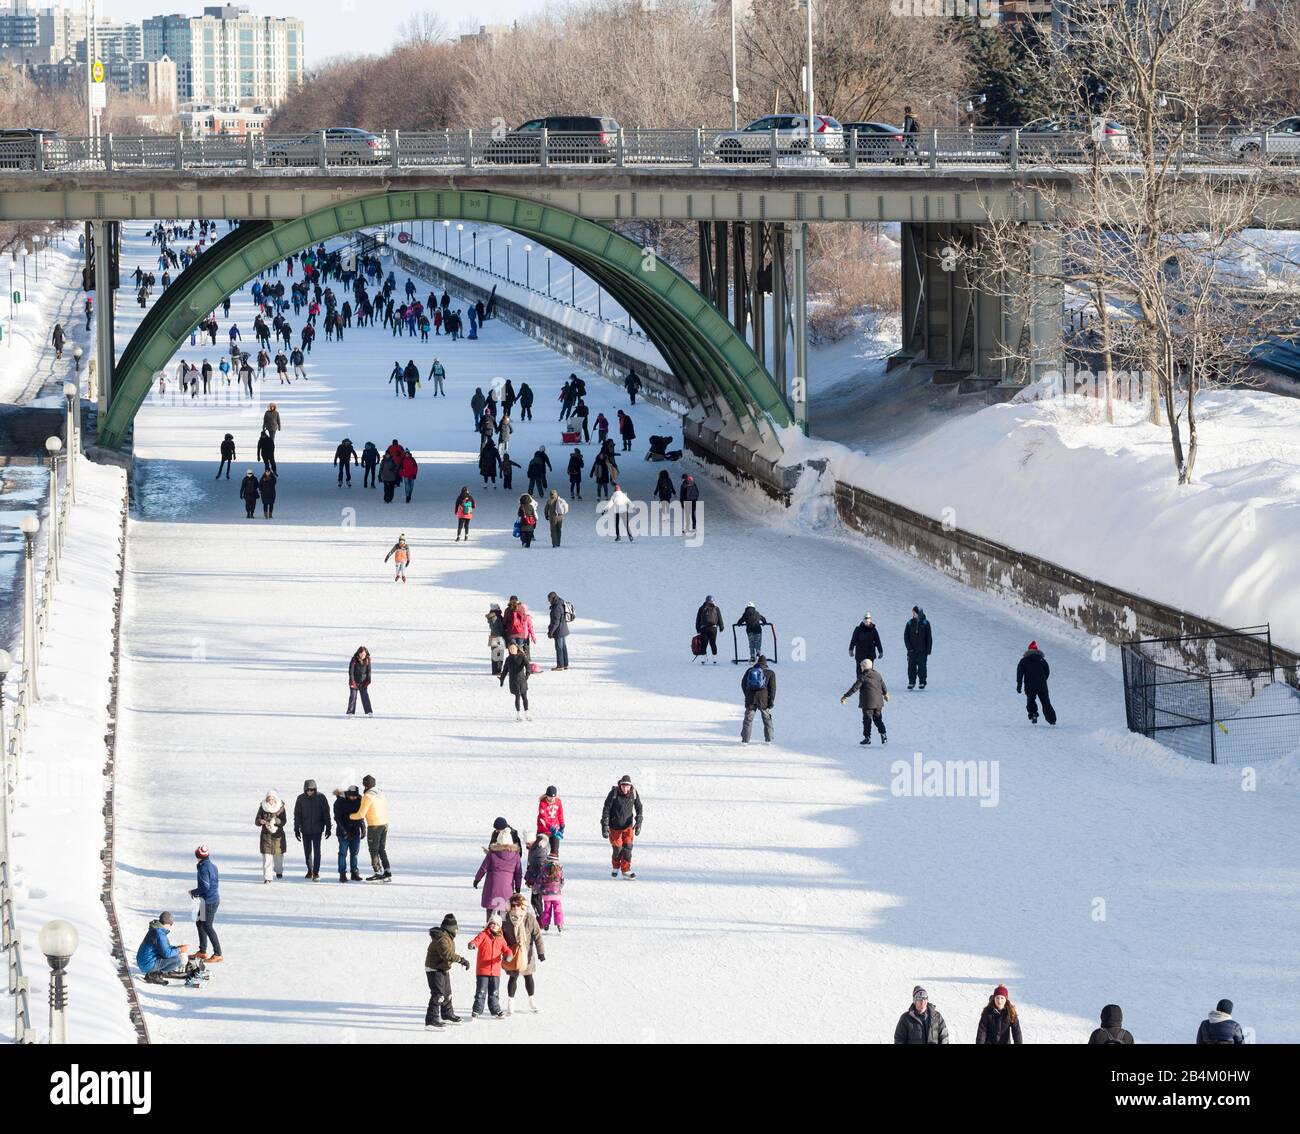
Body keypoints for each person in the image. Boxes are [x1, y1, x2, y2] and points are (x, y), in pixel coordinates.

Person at [502, 892, 546, 1015]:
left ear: (523, 906)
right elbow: (500, 937)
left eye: (518, 905)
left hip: (527, 954)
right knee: (513, 977)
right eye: (514, 905)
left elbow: (537, 936)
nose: (516, 908)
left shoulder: (529, 918)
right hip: (512, 955)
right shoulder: (505, 919)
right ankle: (510, 1002)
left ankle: (532, 1000)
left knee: (528, 977)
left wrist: (541, 952)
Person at [424, 914, 470, 1029]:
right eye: (455, 928)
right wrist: (461, 960)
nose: (456, 931)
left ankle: (447, 1014)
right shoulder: (442, 938)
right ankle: (431, 1020)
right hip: (434, 969)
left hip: (442, 968)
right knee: (438, 995)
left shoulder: (446, 936)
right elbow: (447, 954)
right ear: (451, 929)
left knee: (447, 993)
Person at [474, 818, 523, 918]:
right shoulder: (516, 855)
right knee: (503, 909)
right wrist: (518, 887)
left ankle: (489, 927)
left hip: (492, 886)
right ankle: (502, 928)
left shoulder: (492, 854)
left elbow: (483, 868)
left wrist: (477, 879)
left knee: (491, 908)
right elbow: (518, 873)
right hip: (507, 887)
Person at [468, 914, 513, 1018]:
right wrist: (473, 944)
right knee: (481, 991)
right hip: (483, 970)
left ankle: (496, 1010)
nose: (494, 926)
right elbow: (476, 941)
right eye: (492, 923)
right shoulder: (483, 934)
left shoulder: (501, 939)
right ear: (488, 924)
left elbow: (506, 949)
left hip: (495, 971)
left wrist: (509, 956)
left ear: (499, 927)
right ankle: (477, 1010)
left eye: (496, 924)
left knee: (494, 992)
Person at [349, 774, 390, 881]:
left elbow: (361, 814)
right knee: (381, 849)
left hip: (374, 825)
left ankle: (378, 872)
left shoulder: (367, 796)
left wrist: (349, 816)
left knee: (373, 850)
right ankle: (387, 871)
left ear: (366, 785)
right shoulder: (381, 793)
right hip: (384, 824)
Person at [601, 775, 643, 878]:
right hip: (615, 827)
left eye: (627, 786)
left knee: (628, 848)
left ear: (630, 786)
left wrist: (639, 821)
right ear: (620, 785)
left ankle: (626, 870)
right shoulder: (614, 793)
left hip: (628, 827)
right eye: (623, 786)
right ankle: (616, 867)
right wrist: (605, 825)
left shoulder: (633, 793)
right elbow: (606, 809)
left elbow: (639, 807)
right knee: (618, 849)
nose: (625, 788)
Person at [840, 657, 888, 746]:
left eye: (861, 666)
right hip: (878, 703)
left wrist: (845, 696)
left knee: (867, 720)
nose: (860, 668)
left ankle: (867, 738)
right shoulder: (877, 674)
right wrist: (885, 694)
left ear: (864, 667)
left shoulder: (862, 677)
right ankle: (883, 735)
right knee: (878, 719)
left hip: (868, 703)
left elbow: (855, 688)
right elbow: (883, 684)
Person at [188, 845, 222, 963]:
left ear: (198, 856)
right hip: (209, 900)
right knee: (200, 923)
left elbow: (205, 886)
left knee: (207, 926)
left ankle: (218, 954)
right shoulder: (212, 866)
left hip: (210, 902)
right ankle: (202, 951)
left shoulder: (203, 868)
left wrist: (194, 892)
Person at [135, 911, 189, 984]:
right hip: (148, 964)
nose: (170, 927)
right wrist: (179, 950)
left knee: (175, 954)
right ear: (167, 924)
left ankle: (163, 971)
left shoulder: (156, 930)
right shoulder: (159, 933)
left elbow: (163, 948)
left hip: (144, 961)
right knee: (177, 959)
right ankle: (154, 975)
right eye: (171, 924)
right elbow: (166, 954)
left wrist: (176, 948)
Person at [293, 780, 332, 881]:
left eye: (312, 790)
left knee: (317, 851)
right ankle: (309, 870)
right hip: (305, 830)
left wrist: (328, 827)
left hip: (317, 829)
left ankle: (316, 872)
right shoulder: (300, 798)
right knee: (307, 851)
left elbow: (326, 813)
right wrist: (296, 829)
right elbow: (297, 814)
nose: (310, 792)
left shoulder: (321, 797)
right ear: (305, 789)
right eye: (308, 790)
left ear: (315, 789)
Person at [1016, 640, 1056, 724]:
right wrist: (1043, 680)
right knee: (1045, 702)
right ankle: (1052, 720)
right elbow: (1047, 671)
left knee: (1031, 700)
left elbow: (1020, 673)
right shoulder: (1042, 660)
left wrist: (1019, 685)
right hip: (1042, 685)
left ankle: (1033, 713)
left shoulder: (1024, 660)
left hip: (1030, 685)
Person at [740, 654, 776, 744]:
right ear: (765, 664)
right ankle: (769, 739)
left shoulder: (749, 671)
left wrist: (747, 694)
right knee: (767, 719)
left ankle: (745, 740)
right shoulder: (770, 673)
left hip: (751, 699)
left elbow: (743, 684)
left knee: (748, 719)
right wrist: (771, 701)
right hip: (763, 700)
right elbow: (772, 689)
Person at [255, 790, 288, 883]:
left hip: (278, 836)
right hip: (266, 836)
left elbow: (284, 821)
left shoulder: (281, 808)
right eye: (269, 799)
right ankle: (268, 878)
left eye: (272, 799)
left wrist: (275, 820)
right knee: (267, 858)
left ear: (275, 799)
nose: (270, 801)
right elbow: (257, 820)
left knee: (278, 856)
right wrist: (261, 821)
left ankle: (278, 871)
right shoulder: (262, 807)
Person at [334, 784, 364, 882]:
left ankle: (354, 873)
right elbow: (337, 818)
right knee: (343, 853)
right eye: (351, 796)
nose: (353, 798)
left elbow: (361, 815)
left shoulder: (359, 800)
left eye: (355, 796)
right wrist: (344, 832)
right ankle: (342, 874)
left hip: (355, 831)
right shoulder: (340, 801)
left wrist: (363, 828)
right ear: (348, 794)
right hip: (343, 833)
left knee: (354, 853)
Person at [500, 642, 532, 720]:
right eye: (510, 649)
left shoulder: (522, 657)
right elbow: (505, 670)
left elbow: (527, 666)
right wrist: (502, 679)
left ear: (517, 648)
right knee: (517, 697)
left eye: (513, 648)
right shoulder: (508, 659)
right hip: (513, 681)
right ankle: (518, 714)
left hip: (522, 680)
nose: (512, 650)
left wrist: (527, 674)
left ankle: (527, 713)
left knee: (524, 696)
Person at [904, 606, 933, 690]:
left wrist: (928, 649)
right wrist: (909, 648)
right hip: (912, 651)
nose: (913, 614)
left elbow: (929, 638)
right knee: (911, 667)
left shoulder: (925, 623)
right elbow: (906, 637)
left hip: (922, 651)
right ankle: (911, 682)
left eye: (915, 613)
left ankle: (922, 682)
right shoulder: (909, 623)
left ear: (919, 613)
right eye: (912, 613)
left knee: (922, 667)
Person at [537, 850, 564, 932]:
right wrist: (559, 888)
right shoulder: (559, 870)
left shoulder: (544, 869)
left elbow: (539, 881)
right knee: (558, 909)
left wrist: (539, 889)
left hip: (546, 894)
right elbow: (562, 881)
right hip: (556, 894)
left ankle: (545, 924)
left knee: (547, 910)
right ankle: (559, 924)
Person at [536, 786, 565, 854]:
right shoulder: (542, 803)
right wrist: (550, 827)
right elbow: (543, 818)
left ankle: (554, 864)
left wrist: (562, 825)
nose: (552, 799)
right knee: (540, 850)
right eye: (550, 797)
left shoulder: (558, 801)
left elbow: (560, 814)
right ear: (546, 795)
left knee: (555, 851)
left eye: (553, 797)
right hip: (543, 830)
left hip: (555, 830)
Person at [695, 595, 724, 663]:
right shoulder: (716, 608)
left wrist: (697, 629)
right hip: (713, 628)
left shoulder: (701, 608)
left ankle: (703, 659)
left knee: (704, 643)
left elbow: (698, 619)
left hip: (704, 628)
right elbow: (720, 618)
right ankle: (714, 658)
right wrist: (721, 627)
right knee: (713, 642)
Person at [546, 590, 571, 670]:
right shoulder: (561, 603)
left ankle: (560, 665)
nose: (548, 601)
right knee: (563, 647)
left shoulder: (556, 607)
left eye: (549, 599)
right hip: (563, 629)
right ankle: (565, 664)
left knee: (559, 648)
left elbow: (555, 622)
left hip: (559, 631)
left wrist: (551, 632)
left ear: (553, 598)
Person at [347, 646, 373, 717]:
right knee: (353, 697)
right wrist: (352, 681)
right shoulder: (354, 660)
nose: (363, 656)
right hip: (354, 682)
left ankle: (369, 712)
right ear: (358, 653)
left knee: (365, 697)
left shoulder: (367, 660)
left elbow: (369, 671)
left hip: (363, 682)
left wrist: (368, 680)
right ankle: (350, 712)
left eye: (364, 654)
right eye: (361, 654)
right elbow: (351, 672)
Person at [485, 602, 507, 676]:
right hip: (498, 638)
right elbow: (497, 628)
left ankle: (496, 670)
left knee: (495, 655)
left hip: (493, 637)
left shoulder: (494, 616)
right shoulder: (496, 617)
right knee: (499, 655)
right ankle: (497, 671)